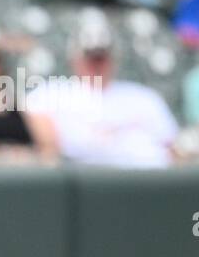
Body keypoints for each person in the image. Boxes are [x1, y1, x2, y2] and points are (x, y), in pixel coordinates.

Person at [25, 13, 179, 167]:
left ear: (114, 59)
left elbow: (171, 149)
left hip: (145, 180)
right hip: (82, 181)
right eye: (90, 57)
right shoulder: (50, 94)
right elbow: (45, 146)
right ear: (75, 58)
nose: (96, 64)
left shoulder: (144, 97)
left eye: (101, 57)